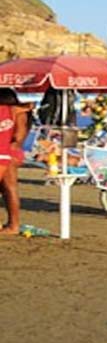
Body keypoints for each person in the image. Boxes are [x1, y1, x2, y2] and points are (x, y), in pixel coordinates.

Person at [0, 88, 32, 235]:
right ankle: (11, 224)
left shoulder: (15, 112)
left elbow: (18, 137)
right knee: (7, 189)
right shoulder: (17, 111)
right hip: (10, 152)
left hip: (8, 152)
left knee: (9, 188)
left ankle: (13, 225)